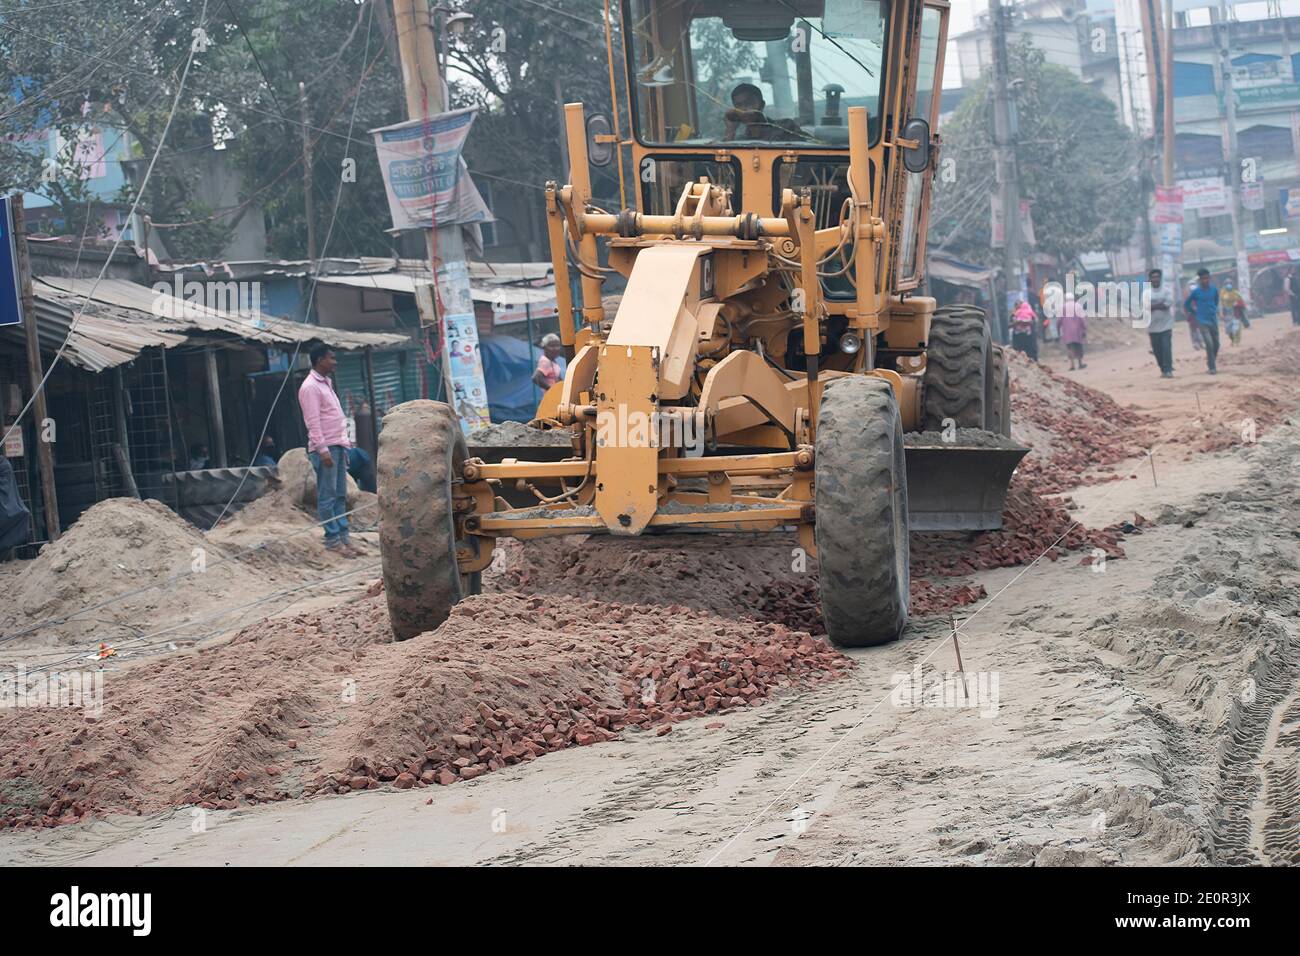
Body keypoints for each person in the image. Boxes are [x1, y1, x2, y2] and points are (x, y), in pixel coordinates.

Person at [297, 343, 359, 557]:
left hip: (338, 445)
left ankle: (344, 538)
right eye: (331, 358)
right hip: (326, 448)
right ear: (319, 360)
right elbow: (312, 422)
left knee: (340, 495)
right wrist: (322, 450)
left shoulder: (326, 384)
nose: (335, 362)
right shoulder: (310, 387)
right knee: (328, 496)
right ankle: (332, 540)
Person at [723, 83, 802, 142]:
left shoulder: (786, 127)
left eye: (749, 103)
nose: (744, 110)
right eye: (739, 105)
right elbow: (725, 161)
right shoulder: (741, 141)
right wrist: (730, 129)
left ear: (762, 105)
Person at [1183, 268, 1221, 375]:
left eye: (1207, 278)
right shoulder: (1196, 292)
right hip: (1201, 321)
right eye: (1203, 279)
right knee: (1209, 343)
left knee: (1216, 344)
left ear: (1209, 278)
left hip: (1213, 320)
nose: (1205, 280)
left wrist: (1214, 310)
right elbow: (1187, 304)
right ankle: (1212, 367)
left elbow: (1216, 301)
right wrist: (1193, 311)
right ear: (1200, 280)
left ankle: (1210, 361)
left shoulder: (1214, 290)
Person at [1145, 268, 1175, 378]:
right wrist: (1159, 304)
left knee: (1166, 347)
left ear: (1160, 278)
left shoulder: (1166, 291)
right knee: (1157, 350)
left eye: (1157, 277)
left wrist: (1153, 306)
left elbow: (1167, 304)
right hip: (1152, 327)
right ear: (1150, 279)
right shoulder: (1146, 293)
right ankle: (1163, 368)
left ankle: (1168, 369)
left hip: (1166, 325)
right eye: (1153, 277)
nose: (1155, 279)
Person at [1059, 292, 1087, 370]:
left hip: (1067, 331)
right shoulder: (1078, 306)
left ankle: (1072, 365)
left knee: (1070, 347)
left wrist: (1058, 327)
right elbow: (1082, 318)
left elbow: (1059, 320)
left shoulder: (1063, 307)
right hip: (1077, 331)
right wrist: (1084, 327)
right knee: (1078, 346)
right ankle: (1080, 363)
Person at [1220, 280, 1245, 346]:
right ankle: (1232, 340)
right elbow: (1221, 304)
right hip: (1227, 315)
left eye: (1230, 283)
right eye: (1227, 283)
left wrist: (1237, 304)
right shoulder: (1222, 294)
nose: (1228, 285)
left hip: (1235, 314)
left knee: (1236, 329)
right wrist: (1221, 313)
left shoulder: (1236, 293)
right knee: (1228, 331)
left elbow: (1242, 303)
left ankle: (1237, 341)